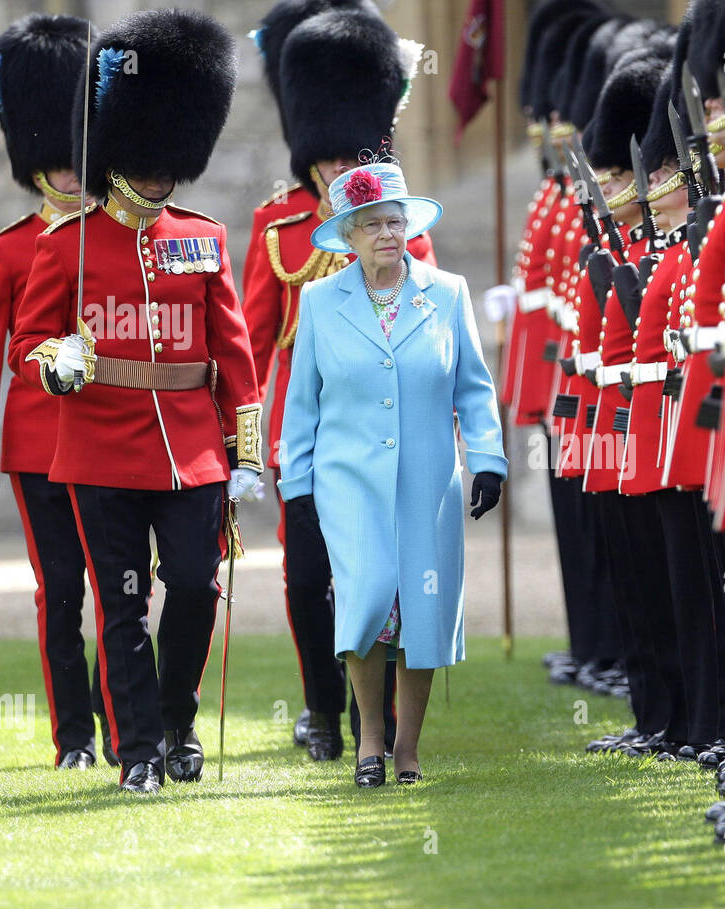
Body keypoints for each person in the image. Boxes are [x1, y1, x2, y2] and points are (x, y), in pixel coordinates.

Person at [7, 8, 261, 794]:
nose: (157, 181)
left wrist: (244, 448)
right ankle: (142, 752)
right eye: (146, 166)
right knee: (122, 605)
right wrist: (58, 363)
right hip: (98, 447)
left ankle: (178, 715)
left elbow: (233, 349)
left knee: (193, 584)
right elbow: (27, 343)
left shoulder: (202, 237)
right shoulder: (68, 243)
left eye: (167, 168)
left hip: (189, 446)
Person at [245, 0, 435, 760]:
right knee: (307, 579)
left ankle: (376, 721)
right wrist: (241, 437)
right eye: (324, 157)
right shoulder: (278, 228)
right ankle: (322, 709)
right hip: (307, 433)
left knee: (381, 578)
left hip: (383, 427)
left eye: (346, 154)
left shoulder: (404, 229)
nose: (335, 168)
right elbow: (252, 342)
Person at [278, 160, 507, 788]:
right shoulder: (321, 302)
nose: (385, 233)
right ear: (347, 237)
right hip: (347, 482)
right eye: (370, 224)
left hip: (429, 483)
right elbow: (302, 405)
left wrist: (487, 458)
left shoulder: (449, 292)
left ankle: (406, 750)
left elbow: (475, 391)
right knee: (369, 600)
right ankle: (368, 744)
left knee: (422, 610)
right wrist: (295, 485)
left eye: (393, 222)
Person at [0, 12, 110, 770]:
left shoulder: (123, 239)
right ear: (37, 161)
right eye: (60, 161)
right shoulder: (9, 249)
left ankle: (126, 729)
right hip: (41, 447)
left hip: (113, 441)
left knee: (118, 594)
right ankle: (73, 739)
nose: (74, 173)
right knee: (61, 599)